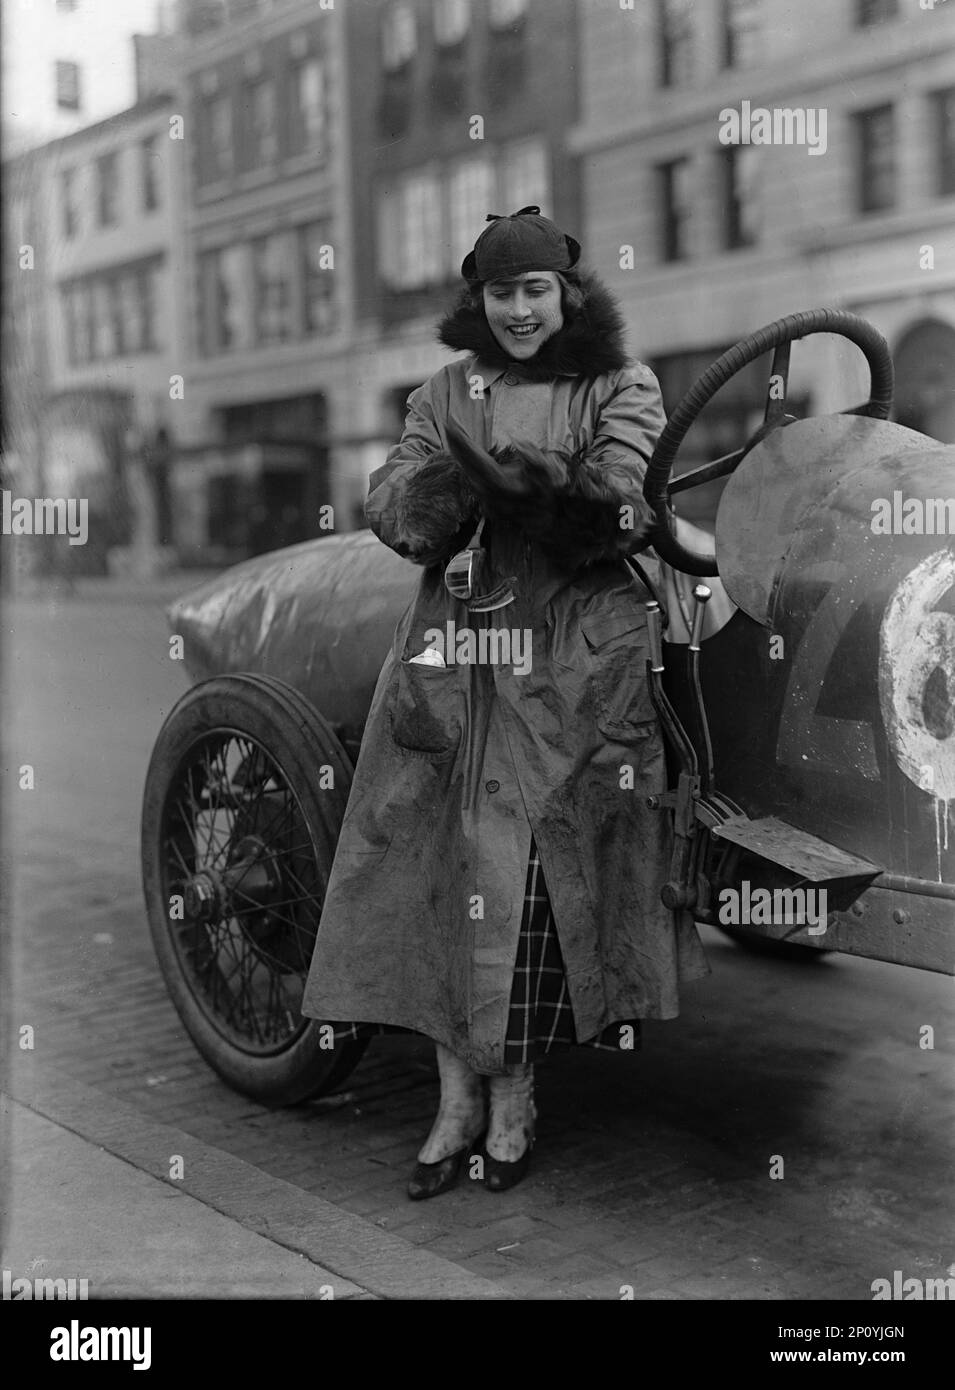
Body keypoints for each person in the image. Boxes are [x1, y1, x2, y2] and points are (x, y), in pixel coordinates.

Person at [301, 206, 708, 1199]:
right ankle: (452, 1109)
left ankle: (515, 1106)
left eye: (534, 290)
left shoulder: (620, 382)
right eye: (499, 292)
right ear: (476, 299)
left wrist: (552, 492)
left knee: (527, 897)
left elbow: (626, 502)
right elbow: (392, 497)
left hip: (568, 668)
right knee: (435, 882)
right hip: (450, 666)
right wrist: (442, 491)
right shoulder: (446, 390)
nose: (518, 310)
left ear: (564, 293)